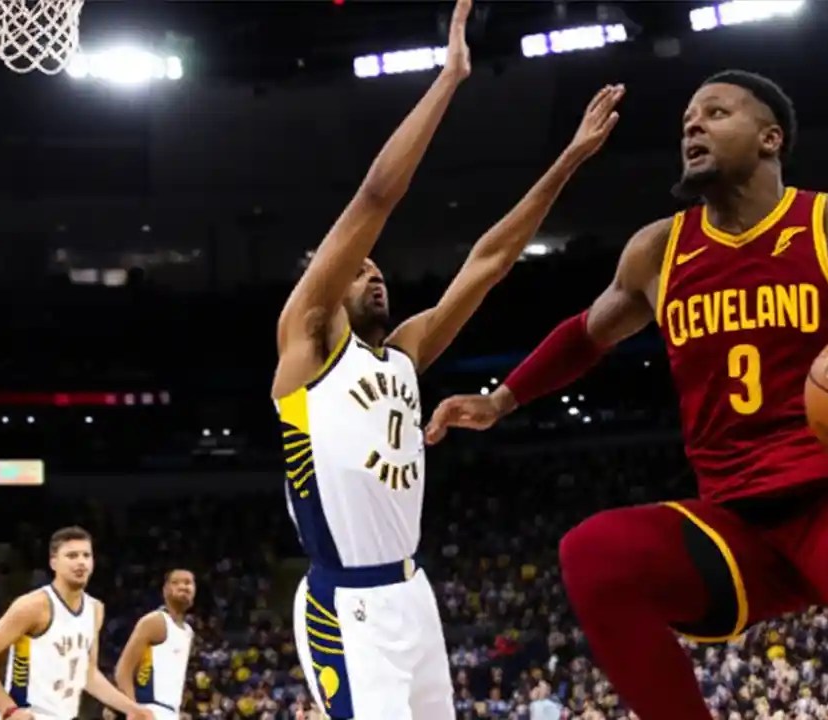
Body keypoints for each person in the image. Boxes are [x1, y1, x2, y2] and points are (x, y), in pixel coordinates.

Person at [426, 70, 828, 720]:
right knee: (594, 553)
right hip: (736, 524)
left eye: (715, 113)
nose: (693, 125)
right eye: (687, 119)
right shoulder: (658, 250)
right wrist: (502, 400)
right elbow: (586, 334)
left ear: (770, 138)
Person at [269, 0, 624, 714]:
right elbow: (377, 194)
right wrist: (450, 77)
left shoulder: (404, 354)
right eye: (359, 270)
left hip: (413, 590)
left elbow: (489, 262)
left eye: (379, 270)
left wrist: (570, 160)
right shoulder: (307, 348)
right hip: (349, 607)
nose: (374, 275)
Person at [0, 527, 154, 720]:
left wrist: (131, 708)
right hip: (28, 713)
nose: (81, 562)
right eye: (72, 556)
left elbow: (88, 673)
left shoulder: (95, 609)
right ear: (53, 562)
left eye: (86, 555)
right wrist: (9, 710)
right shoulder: (34, 605)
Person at [113, 569, 196, 720]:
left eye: (188, 583)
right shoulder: (155, 621)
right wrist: (134, 711)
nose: (183, 586)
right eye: (176, 582)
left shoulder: (188, 632)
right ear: (165, 590)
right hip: (150, 709)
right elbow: (122, 672)